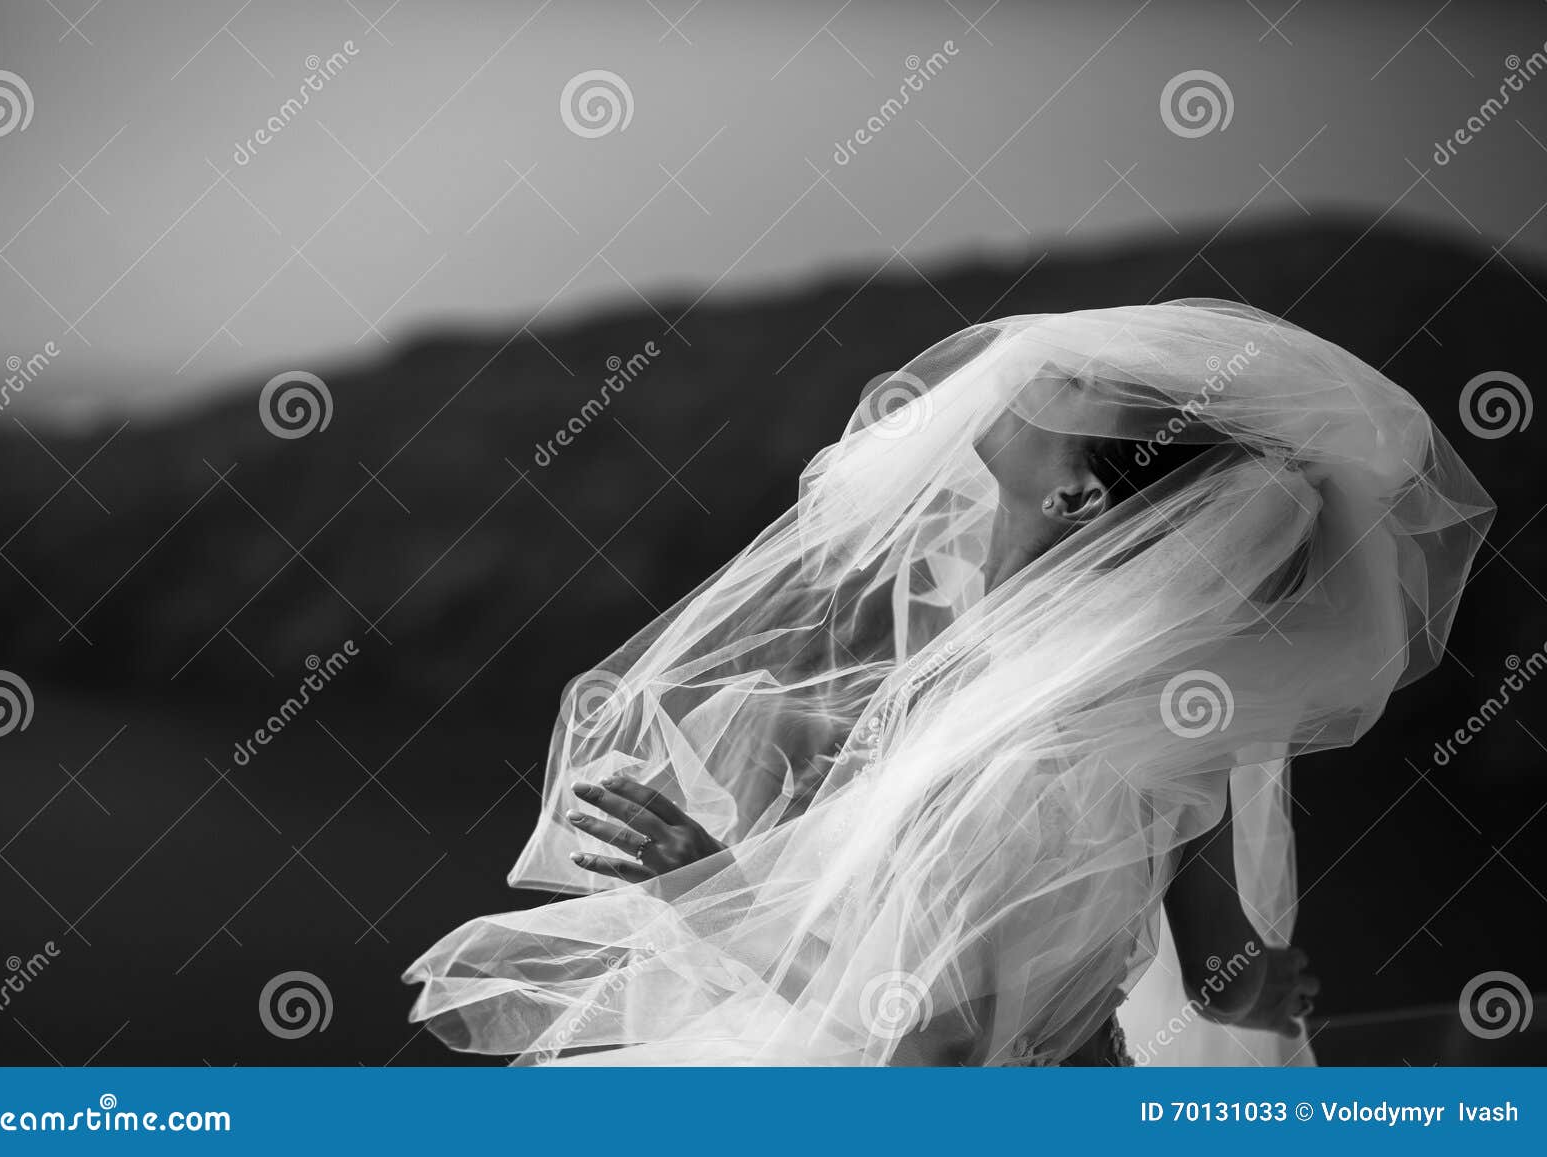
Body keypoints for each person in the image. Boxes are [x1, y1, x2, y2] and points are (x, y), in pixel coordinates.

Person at [404, 300, 1492, 1065]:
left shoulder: (1021, 746)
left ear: (1073, 495)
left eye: (1070, 391)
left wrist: (707, 890)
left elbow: (936, 1036)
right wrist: (1267, 988)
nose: (1022, 373)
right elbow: (1213, 972)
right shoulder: (1175, 716)